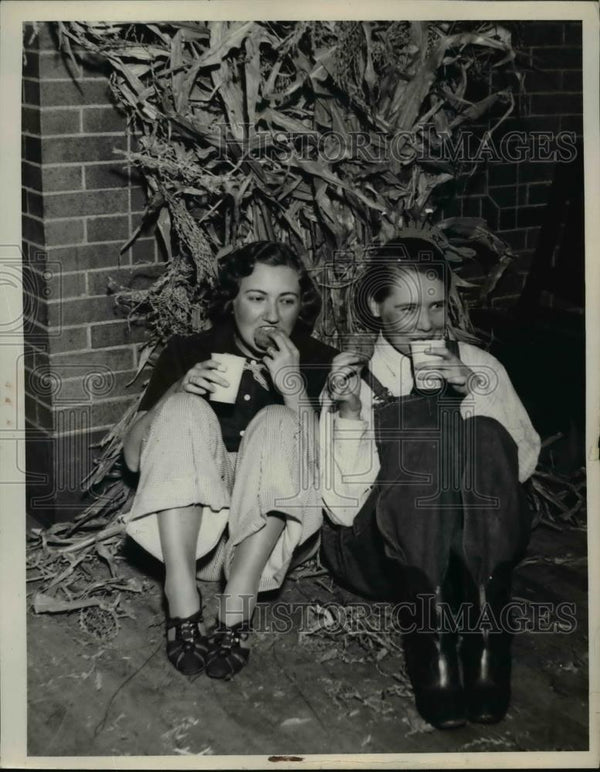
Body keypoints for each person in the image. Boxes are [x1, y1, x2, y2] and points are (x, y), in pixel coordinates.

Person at [319, 236, 540, 729]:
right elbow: (341, 505)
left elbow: (520, 465)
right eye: (408, 308)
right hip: (384, 556)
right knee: (421, 438)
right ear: (376, 307)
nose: (426, 323)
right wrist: (350, 412)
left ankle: (487, 640)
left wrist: (472, 394)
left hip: (475, 554)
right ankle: (433, 649)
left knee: (481, 431)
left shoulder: (476, 364)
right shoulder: (354, 377)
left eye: (437, 305)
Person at [123, 241, 336, 678]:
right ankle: (180, 597)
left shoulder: (319, 361)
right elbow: (131, 458)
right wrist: (179, 388)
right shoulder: (189, 351)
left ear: (301, 306)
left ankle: (238, 605)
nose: (272, 316)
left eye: (287, 301)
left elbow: (327, 480)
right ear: (232, 301)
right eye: (257, 298)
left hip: (265, 547)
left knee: (279, 419)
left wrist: (293, 388)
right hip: (189, 540)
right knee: (182, 409)